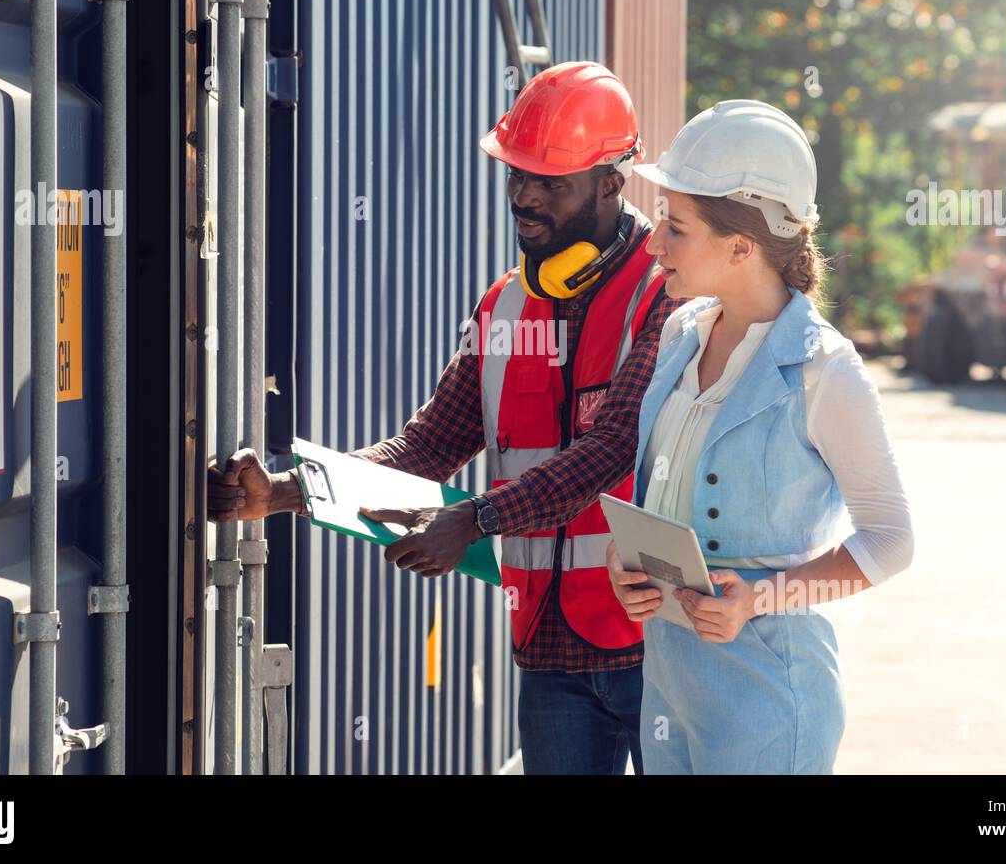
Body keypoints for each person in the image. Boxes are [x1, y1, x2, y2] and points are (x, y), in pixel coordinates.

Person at [209, 62, 679, 775]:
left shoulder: (664, 290)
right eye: (516, 175)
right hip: (548, 649)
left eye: (549, 182)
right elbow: (426, 447)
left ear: (612, 181)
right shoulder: (504, 309)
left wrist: (475, 521)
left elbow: (613, 447)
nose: (523, 197)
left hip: (658, 642)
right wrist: (280, 492)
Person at [604, 99, 914, 774]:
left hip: (770, 703)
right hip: (669, 688)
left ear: (743, 245)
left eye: (676, 227)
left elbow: (892, 539)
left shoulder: (824, 370)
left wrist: (761, 596)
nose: (655, 245)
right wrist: (630, 572)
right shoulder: (678, 335)